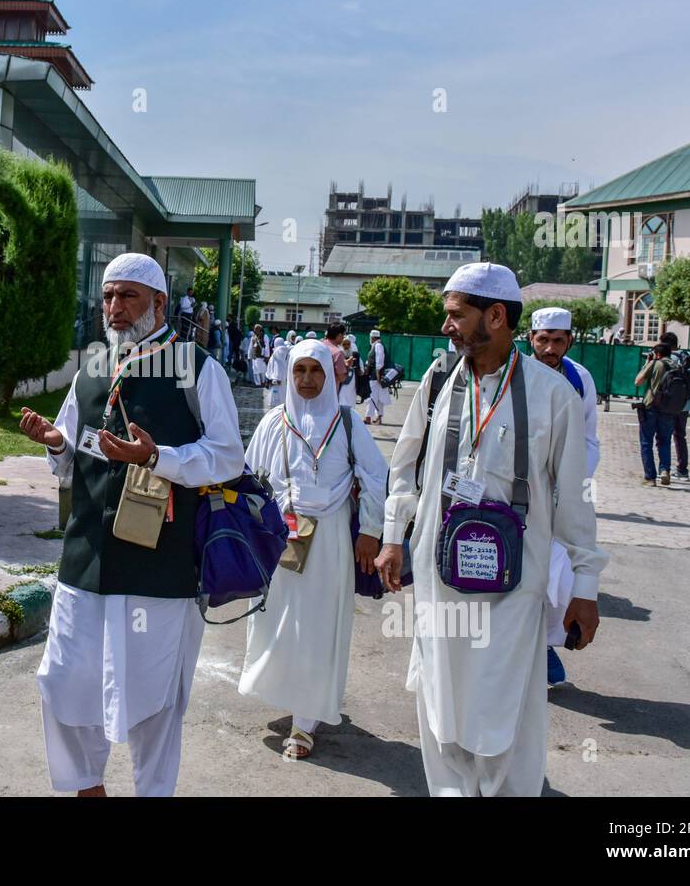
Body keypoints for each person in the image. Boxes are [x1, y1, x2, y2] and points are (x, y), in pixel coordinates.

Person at [375, 262, 607, 797]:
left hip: (513, 588)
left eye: (456, 315)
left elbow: (574, 503)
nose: (447, 326)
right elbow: (404, 467)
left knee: (505, 705)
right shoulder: (436, 381)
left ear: (496, 316)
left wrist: (585, 589)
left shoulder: (554, 396)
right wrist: (392, 537)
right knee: (440, 696)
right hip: (440, 579)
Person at [17, 252, 244, 797]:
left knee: (153, 698)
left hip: (160, 567)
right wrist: (55, 444)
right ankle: (86, 786)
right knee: (65, 683)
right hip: (86, 559)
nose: (114, 309)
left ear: (159, 303)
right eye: (108, 297)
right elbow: (73, 447)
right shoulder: (95, 364)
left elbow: (227, 456)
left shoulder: (196, 367)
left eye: (127, 297)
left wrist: (155, 457)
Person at [239, 340, 387, 758]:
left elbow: (377, 478)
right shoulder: (273, 423)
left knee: (320, 628)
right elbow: (248, 479)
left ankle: (305, 722)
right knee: (277, 624)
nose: (306, 380)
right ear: (288, 373)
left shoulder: (347, 423)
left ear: (330, 375)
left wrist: (371, 531)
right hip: (281, 538)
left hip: (332, 540)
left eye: (315, 371)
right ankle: (288, 692)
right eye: (299, 370)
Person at [527, 307, 600, 688]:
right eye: (543, 339)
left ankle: (548, 646)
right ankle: (540, 656)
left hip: (564, 493)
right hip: (523, 491)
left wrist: (574, 479)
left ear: (569, 341)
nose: (550, 347)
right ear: (531, 339)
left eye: (558, 340)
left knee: (562, 574)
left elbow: (589, 439)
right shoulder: (518, 373)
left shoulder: (580, 379)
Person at [656, 332, 690, 480]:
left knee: (664, 437)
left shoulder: (668, 359)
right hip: (685, 403)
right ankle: (682, 470)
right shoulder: (688, 356)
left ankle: (664, 468)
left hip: (669, 403)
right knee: (680, 436)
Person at [634, 343, 675, 485]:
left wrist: (647, 364)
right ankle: (665, 470)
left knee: (646, 442)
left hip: (651, 406)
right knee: (664, 441)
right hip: (669, 409)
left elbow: (638, 381)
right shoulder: (676, 365)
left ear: (657, 354)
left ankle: (650, 477)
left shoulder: (655, 364)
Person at [364, 329, 390, 424]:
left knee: (372, 396)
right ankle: (379, 416)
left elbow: (379, 361)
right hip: (375, 374)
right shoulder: (376, 345)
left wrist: (378, 375)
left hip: (376, 375)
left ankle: (368, 417)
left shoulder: (378, 345)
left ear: (372, 337)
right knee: (378, 397)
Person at [265, 333, 291, 408]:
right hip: (285, 383)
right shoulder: (288, 354)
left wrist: (268, 379)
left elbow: (269, 370)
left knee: (275, 404)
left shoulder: (274, 356)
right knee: (284, 402)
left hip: (275, 382)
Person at [323, 322, 349, 393]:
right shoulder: (337, 353)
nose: (344, 337)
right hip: (329, 393)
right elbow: (342, 378)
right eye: (343, 335)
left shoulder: (319, 345)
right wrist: (347, 366)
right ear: (340, 335)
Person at [338, 335, 358, 409]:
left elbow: (360, 367)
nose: (346, 346)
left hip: (352, 379)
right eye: (344, 344)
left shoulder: (354, 354)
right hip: (342, 378)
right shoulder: (339, 354)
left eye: (348, 344)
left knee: (351, 396)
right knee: (342, 395)